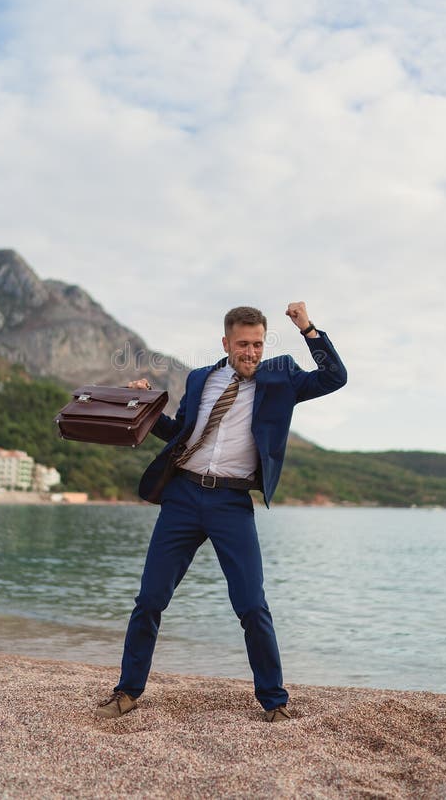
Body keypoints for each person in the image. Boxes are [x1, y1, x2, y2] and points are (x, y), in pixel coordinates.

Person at [96, 302, 347, 723]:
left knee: (251, 604)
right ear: (226, 342)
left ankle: (274, 700)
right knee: (150, 599)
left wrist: (307, 328)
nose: (251, 352)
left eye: (258, 344)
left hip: (231, 504)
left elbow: (334, 377)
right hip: (183, 497)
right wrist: (147, 406)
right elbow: (181, 433)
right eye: (243, 344)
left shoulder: (280, 378)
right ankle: (127, 691)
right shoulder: (200, 379)